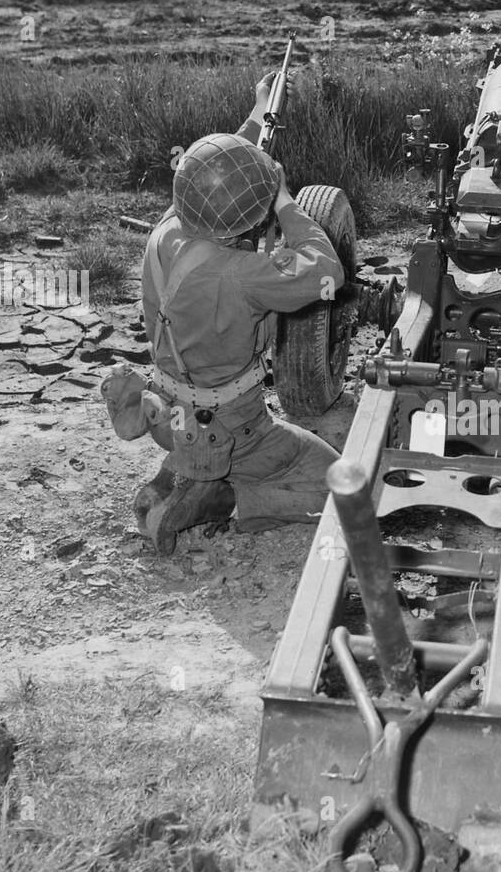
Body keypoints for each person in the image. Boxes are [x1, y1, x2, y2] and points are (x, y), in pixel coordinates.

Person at [102, 72, 345, 556]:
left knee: (191, 429)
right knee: (335, 482)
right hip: (232, 423)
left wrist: (260, 111)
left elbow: (219, 171)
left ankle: (177, 472)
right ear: (249, 213)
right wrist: (285, 201)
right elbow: (327, 272)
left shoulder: (170, 225)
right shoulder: (244, 274)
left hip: (170, 412)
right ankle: (219, 496)